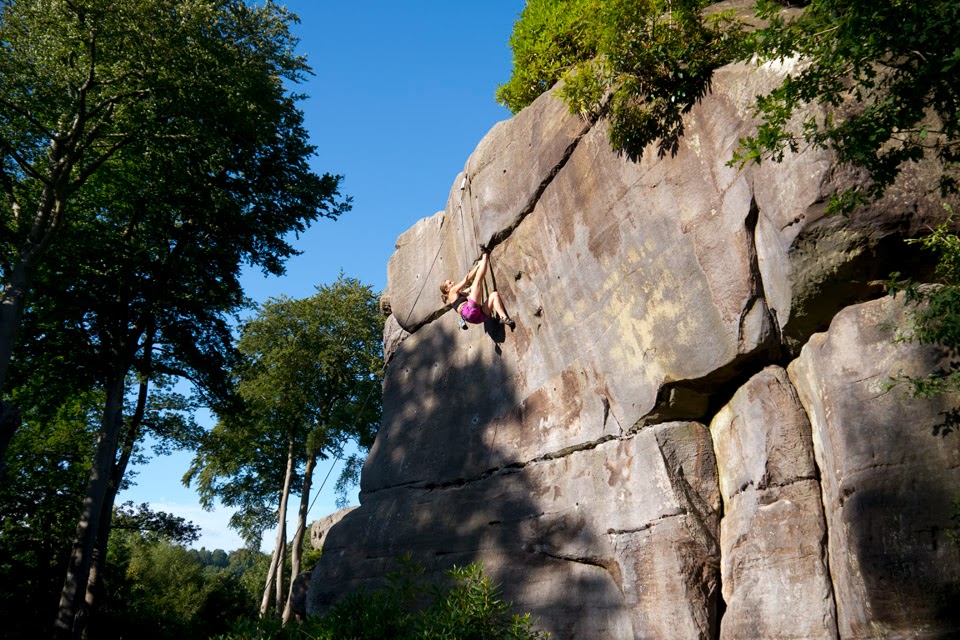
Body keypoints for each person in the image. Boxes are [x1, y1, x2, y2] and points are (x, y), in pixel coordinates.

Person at [440, 251, 515, 328]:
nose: (453, 282)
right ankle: (485, 255)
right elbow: (466, 279)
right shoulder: (452, 291)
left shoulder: (458, 295)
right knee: (478, 280)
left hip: (477, 318)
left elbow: (472, 289)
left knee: (494, 295)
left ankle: (504, 317)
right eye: (450, 283)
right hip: (470, 311)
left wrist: (474, 286)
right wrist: (478, 266)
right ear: (447, 289)